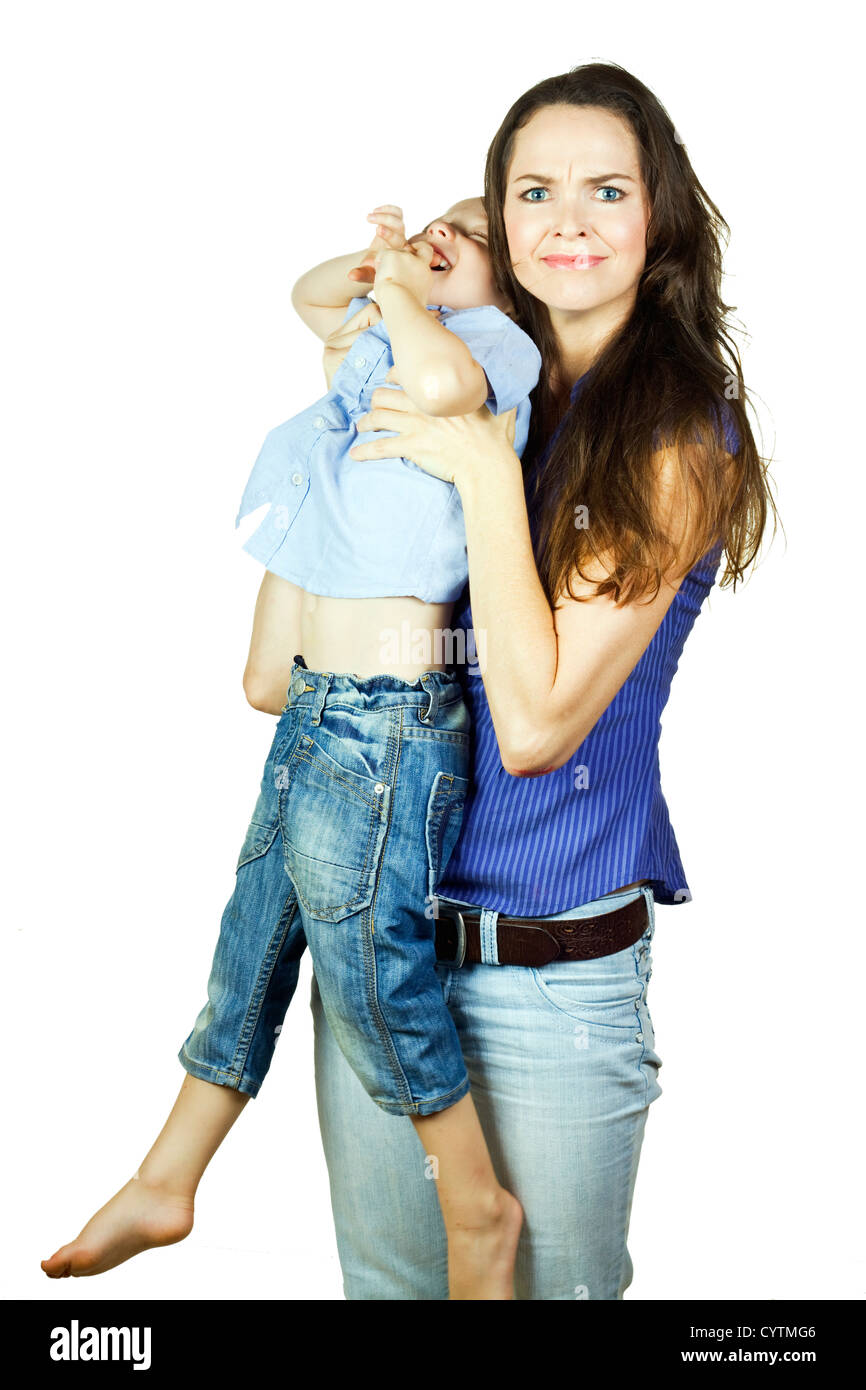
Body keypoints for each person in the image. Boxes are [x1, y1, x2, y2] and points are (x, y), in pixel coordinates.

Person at [307, 62, 777, 1300]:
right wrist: (414, 284)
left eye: (606, 189)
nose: (567, 219)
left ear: (656, 218)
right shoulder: (484, 381)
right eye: (534, 191)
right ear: (500, 217)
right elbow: (319, 313)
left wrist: (470, 471)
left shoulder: (678, 437)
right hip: (382, 938)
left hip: (552, 981)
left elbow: (533, 722)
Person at [40, 197, 543, 1300]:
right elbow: (311, 299)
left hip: (386, 722)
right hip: (322, 708)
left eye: (469, 232)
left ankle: (474, 1203)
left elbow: (449, 389)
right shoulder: (381, 338)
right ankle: (168, 1175)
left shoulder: (491, 349)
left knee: (372, 971)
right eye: (437, 221)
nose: (441, 234)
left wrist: (414, 297)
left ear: (508, 286)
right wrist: (380, 265)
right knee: (251, 943)